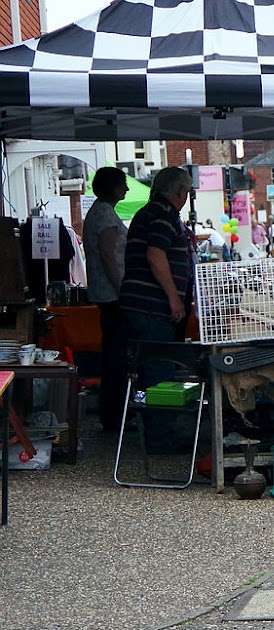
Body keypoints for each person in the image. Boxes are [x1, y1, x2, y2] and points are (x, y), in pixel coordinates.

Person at [119, 166, 195, 451]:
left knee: (151, 369)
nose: (186, 197)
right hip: (151, 307)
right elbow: (155, 254)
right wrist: (173, 297)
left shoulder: (149, 212)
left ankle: (157, 433)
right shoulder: (163, 215)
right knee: (158, 372)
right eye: (187, 192)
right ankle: (161, 439)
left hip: (140, 304)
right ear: (179, 192)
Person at [82, 166, 129, 431]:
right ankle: (113, 415)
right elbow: (110, 255)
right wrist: (122, 288)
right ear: (113, 187)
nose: (127, 189)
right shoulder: (104, 214)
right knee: (115, 356)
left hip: (105, 292)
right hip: (112, 295)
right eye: (123, 184)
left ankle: (112, 414)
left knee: (114, 353)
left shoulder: (99, 211)